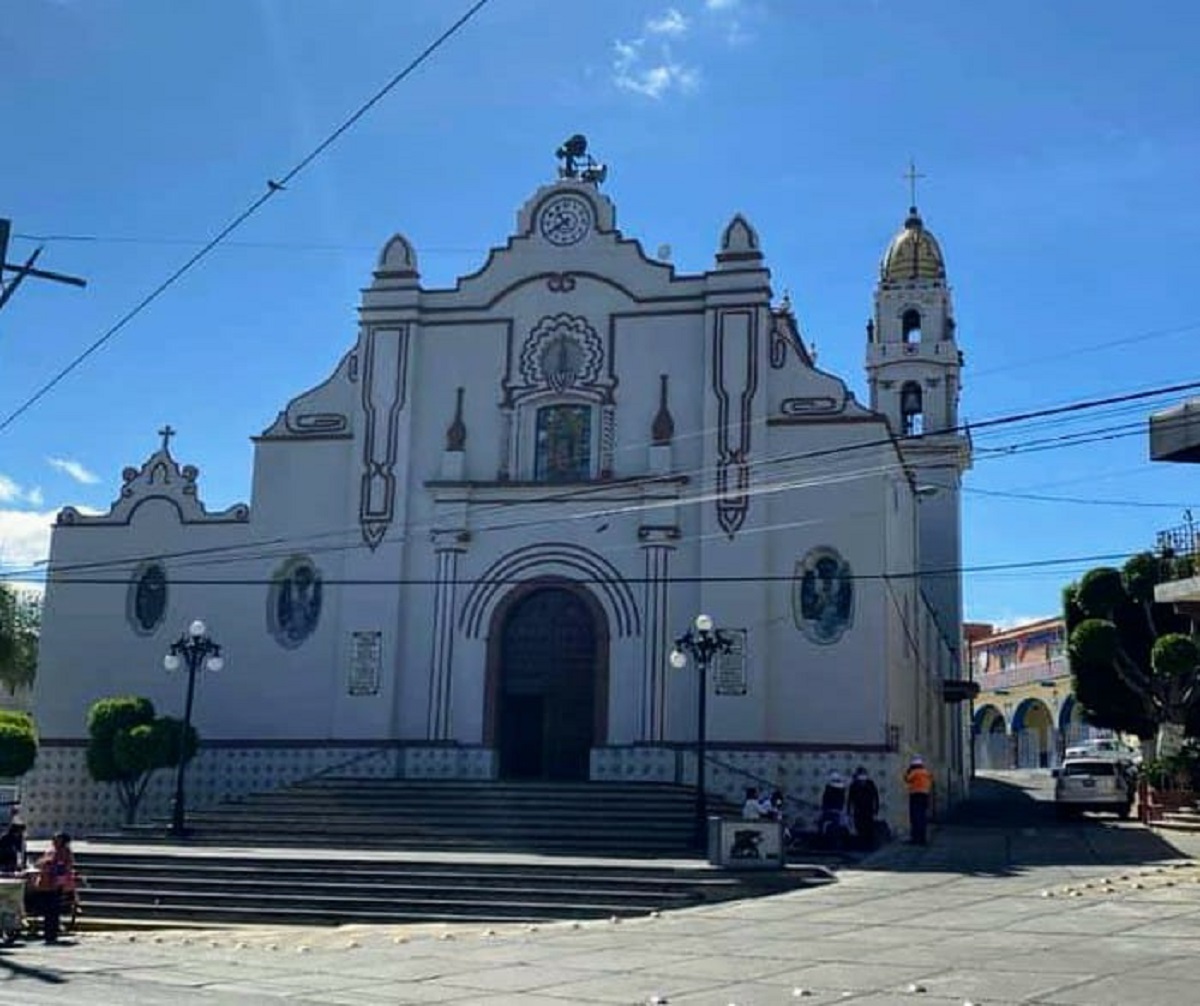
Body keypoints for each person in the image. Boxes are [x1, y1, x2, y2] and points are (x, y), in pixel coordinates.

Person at [29, 831, 75, 943]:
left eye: (57, 839)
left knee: (52, 910)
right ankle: (48, 932)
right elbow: (40, 862)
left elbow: (62, 869)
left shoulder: (64, 852)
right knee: (47, 910)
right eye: (53, 838)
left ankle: (51, 933)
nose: (54, 841)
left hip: (55, 885)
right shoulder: (50, 851)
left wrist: (56, 880)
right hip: (45, 883)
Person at [847, 767, 880, 850]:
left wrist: (876, 809)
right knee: (860, 828)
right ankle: (863, 846)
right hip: (859, 810)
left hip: (867, 810)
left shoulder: (869, 784)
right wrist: (849, 810)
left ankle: (869, 846)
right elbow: (850, 799)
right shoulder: (854, 785)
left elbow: (876, 797)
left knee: (868, 828)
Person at [904, 756, 934, 846]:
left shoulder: (915, 772)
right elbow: (931, 781)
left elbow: (907, 779)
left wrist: (908, 771)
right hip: (925, 795)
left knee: (915, 817)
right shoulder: (926, 772)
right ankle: (922, 838)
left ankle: (915, 838)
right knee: (922, 817)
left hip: (915, 795)